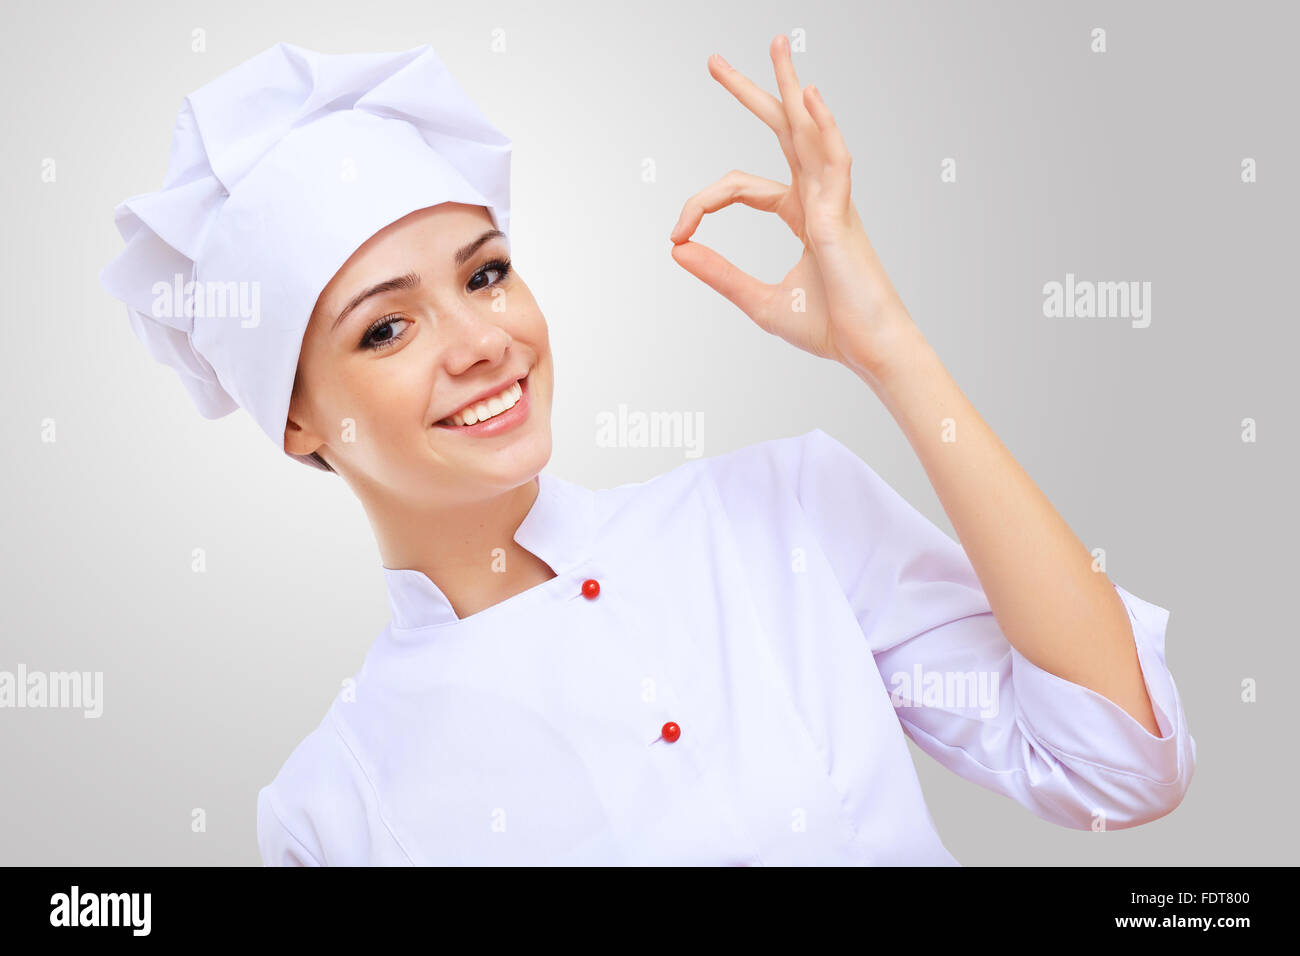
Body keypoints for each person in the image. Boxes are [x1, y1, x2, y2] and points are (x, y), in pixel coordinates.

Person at [100, 38, 1195, 866]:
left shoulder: (780, 512)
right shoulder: (333, 807)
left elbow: (1116, 765)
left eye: (484, 273)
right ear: (293, 418)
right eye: (386, 327)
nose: (483, 341)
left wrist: (890, 349)